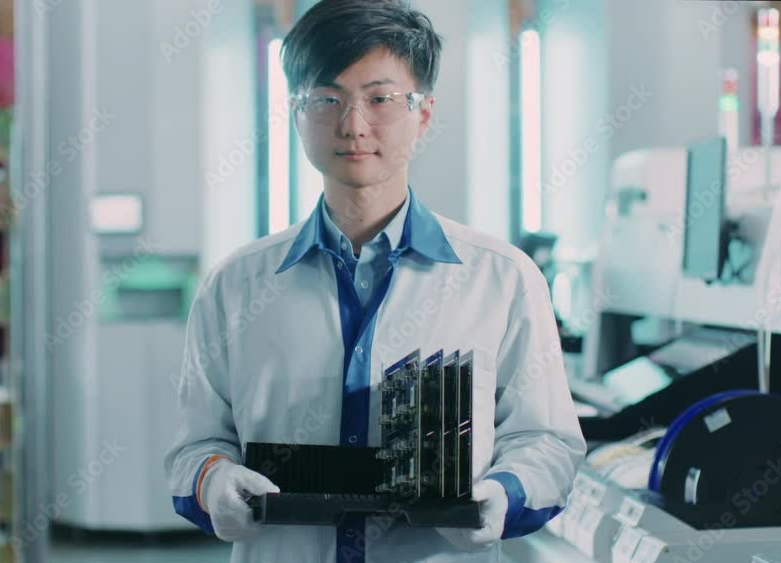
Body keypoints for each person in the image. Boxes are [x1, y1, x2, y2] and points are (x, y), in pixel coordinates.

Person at [163, 1, 586, 561]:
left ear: (424, 113)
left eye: (380, 98)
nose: (353, 124)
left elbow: (546, 440)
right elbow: (196, 444)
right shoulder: (235, 286)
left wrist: (504, 494)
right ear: (297, 113)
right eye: (327, 98)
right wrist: (214, 481)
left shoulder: (503, 279)